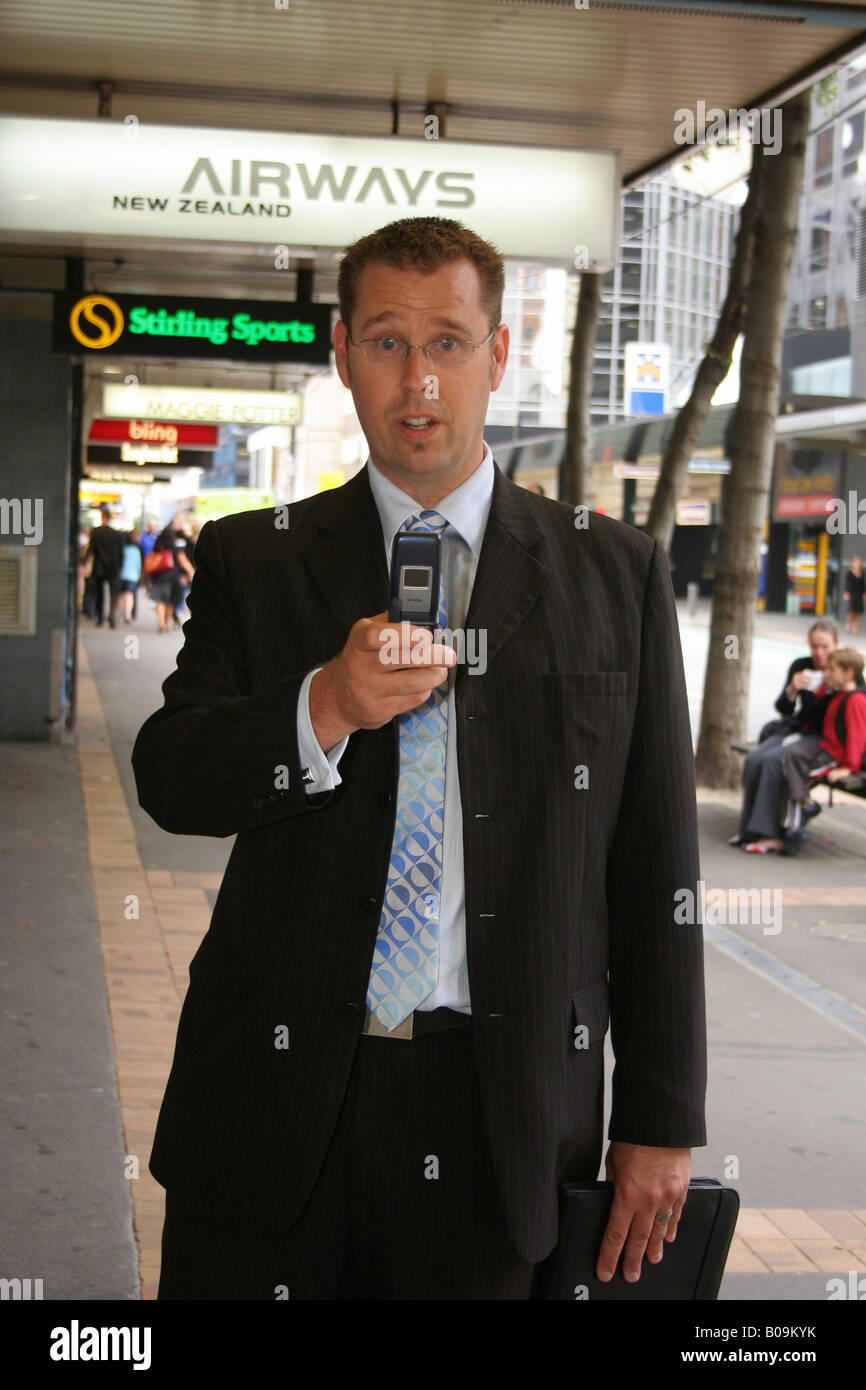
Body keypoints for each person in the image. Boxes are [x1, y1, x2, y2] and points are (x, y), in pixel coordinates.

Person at [132, 216, 706, 1301]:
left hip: (500, 1113)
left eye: (447, 342)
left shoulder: (611, 574)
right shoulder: (259, 554)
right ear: (342, 354)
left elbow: (653, 867)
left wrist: (661, 1120)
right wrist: (325, 704)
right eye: (388, 342)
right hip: (274, 1089)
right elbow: (171, 777)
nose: (418, 379)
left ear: (497, 358)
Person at [730, 620, 842, 848]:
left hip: (822, 738)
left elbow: (851, 710)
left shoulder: (843, 670)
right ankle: (748, 830)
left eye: (825, 647)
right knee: (754, 760)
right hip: (797, 729)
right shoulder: (801, 665)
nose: (819, 653)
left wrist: (831, 687)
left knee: (773, 762)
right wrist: (792, 689)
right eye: (814, 647)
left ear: (836, 645)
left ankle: (768, 831)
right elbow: (783, 708)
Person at [745, 648, 866, 855]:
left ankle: (795, 823)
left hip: (834, 757)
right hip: (825, 751)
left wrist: (848, 767)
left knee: (792, 778)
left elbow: (857, 737)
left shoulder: (854, 700)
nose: (826, 673)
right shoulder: (837, 693)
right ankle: (801, 809)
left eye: (832, 670)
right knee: (791, 771)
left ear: (848, 673)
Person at [149, 514, 194, 634]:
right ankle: (167, 623)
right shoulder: (176, 545)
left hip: (160, 575)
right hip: (173, 576)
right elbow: (182, 560)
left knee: (160, 600)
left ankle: (161, 623)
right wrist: (191, 572)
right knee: (169, 601)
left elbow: (151, 559)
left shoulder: (159, 545)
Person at [85, 506, 124, 628]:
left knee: (99, 593)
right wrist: (120, 566)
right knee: (114, 594)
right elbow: (121, 553)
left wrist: (84, 562)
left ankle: (100, 618)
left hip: (99, 567)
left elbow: (90, 550)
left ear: (102, 518)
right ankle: (112, 616)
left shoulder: (96, 533)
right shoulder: (117, 534)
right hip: (114, 568)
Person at [118, 527, 143, 623]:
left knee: (120, 596)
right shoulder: (136, 550)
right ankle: (127, 614)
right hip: (132, 576)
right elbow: (138, 564)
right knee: (129, 595)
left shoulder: (123, 549)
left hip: (121, 574)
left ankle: (119, 615)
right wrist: (139, 574)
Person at [843, 556, 864, 636]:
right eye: (857, 562)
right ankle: (848, 624)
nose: (858, 564)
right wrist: (846, 592)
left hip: (859, 594)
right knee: (851, 611)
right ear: (854, 563)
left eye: (860, 563)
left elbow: (863, 584)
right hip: (852, 593)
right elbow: (846, 583)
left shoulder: (862, 572)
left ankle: (855, 627)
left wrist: (864, 593)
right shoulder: (849, 573)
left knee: (858, 612)